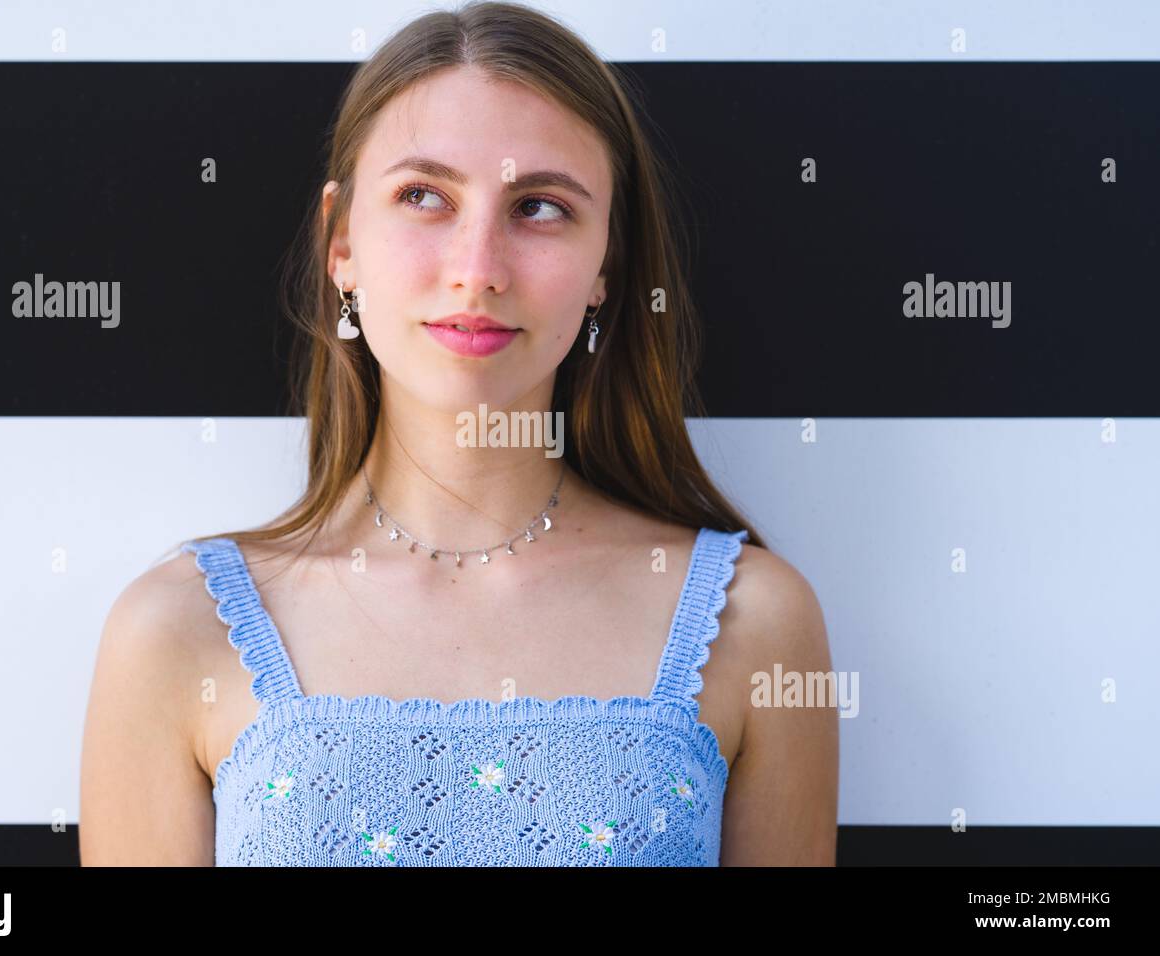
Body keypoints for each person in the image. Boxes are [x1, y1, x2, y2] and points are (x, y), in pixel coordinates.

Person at [79, 0, 836, 866]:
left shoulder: (756, 624)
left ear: (607, 269)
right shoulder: (175, 632)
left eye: (540, 207)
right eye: (423, 196)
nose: (477, 270)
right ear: (342, 244)